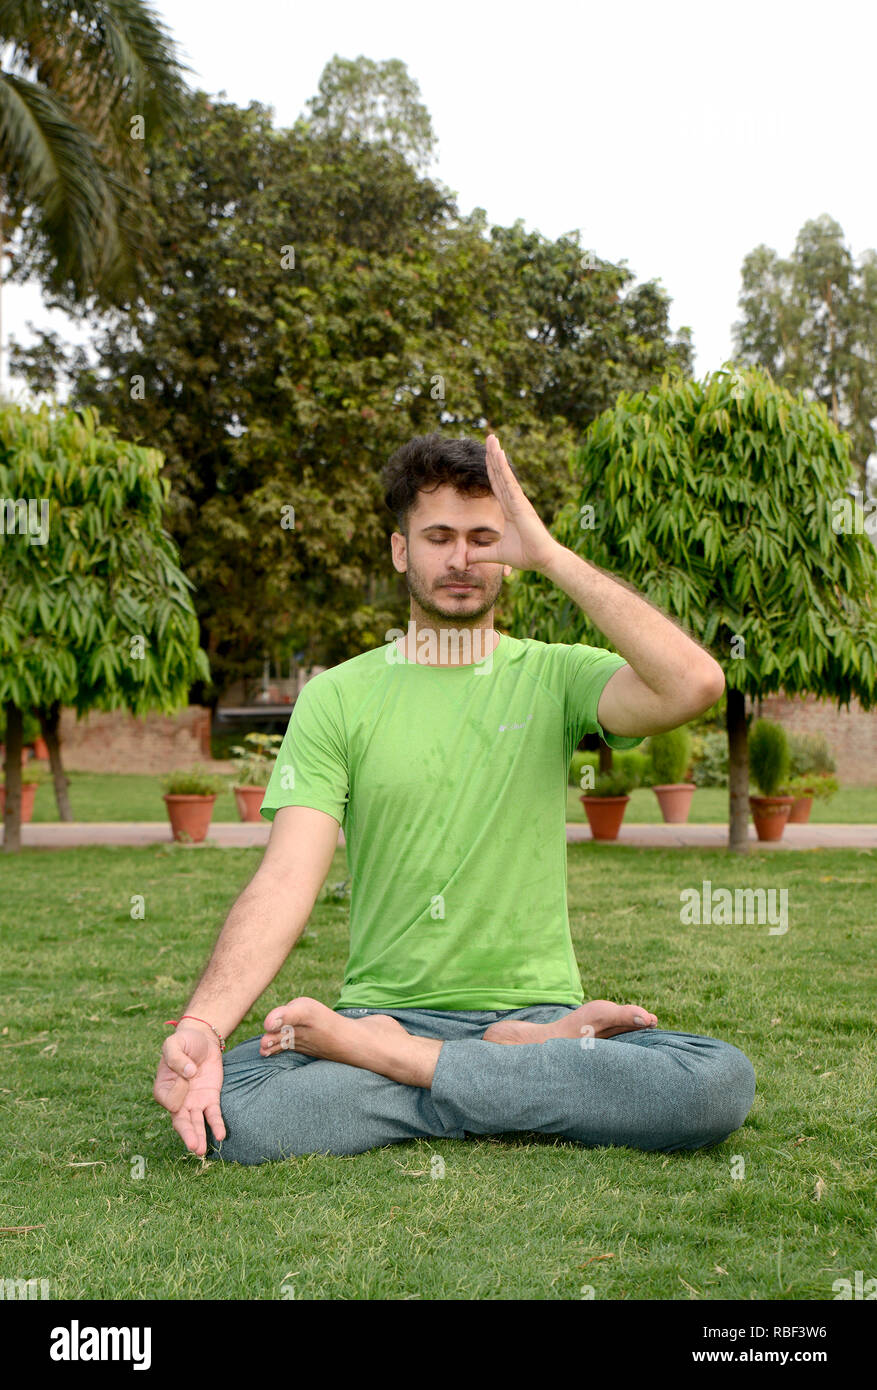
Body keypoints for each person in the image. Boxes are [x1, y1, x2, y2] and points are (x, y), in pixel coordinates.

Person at [153, 432, 755, 1164]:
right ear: (400, 550)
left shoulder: (557, 676)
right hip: (388, 1013)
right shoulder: (337, 697)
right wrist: (203, 1027)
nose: (462, 559)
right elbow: (284, 880)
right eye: (438, 536)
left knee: (714, 1083)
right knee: (238, 1113)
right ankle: (515, 1073)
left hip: (528, 1014)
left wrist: (554, 556)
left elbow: (693, 684)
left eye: (483, 537)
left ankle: (413, 1065)